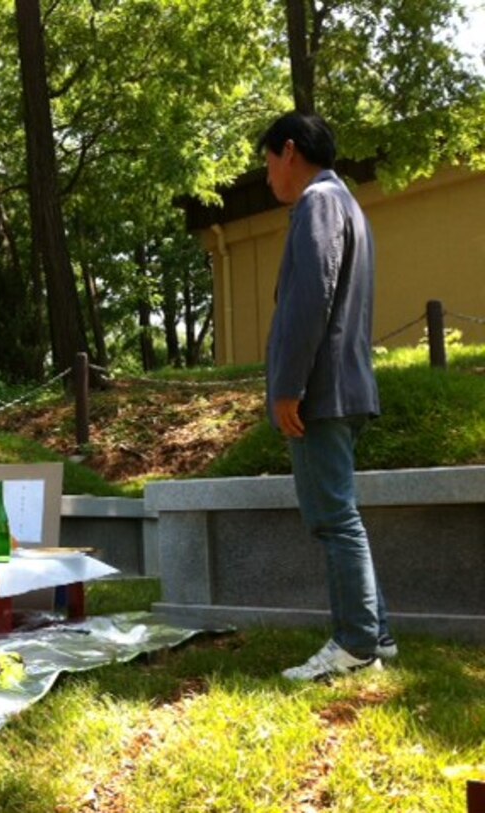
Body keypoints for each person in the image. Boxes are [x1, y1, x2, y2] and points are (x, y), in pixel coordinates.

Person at [259, 112, 396, 682]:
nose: (269, 178)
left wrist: (288, 385)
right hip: (345, 385)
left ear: (290, 152)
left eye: (268, 164)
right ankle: (376, 638)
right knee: (343, 516)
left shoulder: (317, 202)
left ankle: (355, 646)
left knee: (334, 519)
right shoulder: (348, 204)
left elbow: (309, 299)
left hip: (322, 391)